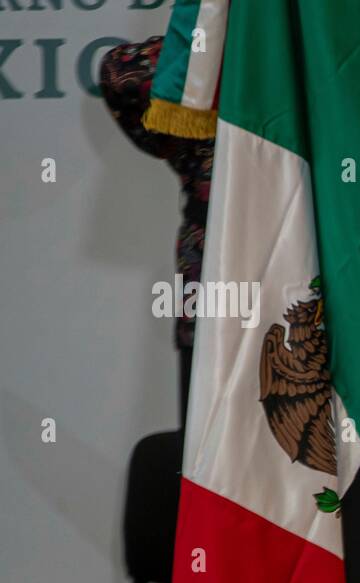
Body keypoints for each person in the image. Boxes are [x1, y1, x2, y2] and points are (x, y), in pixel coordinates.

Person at [100, 37, 214, 426]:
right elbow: (120, 74)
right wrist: (232, 43)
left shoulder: (317, 63)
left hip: (304, 301)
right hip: (214, 297)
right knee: (207, 465)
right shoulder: (206, 66)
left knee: (306, 465)